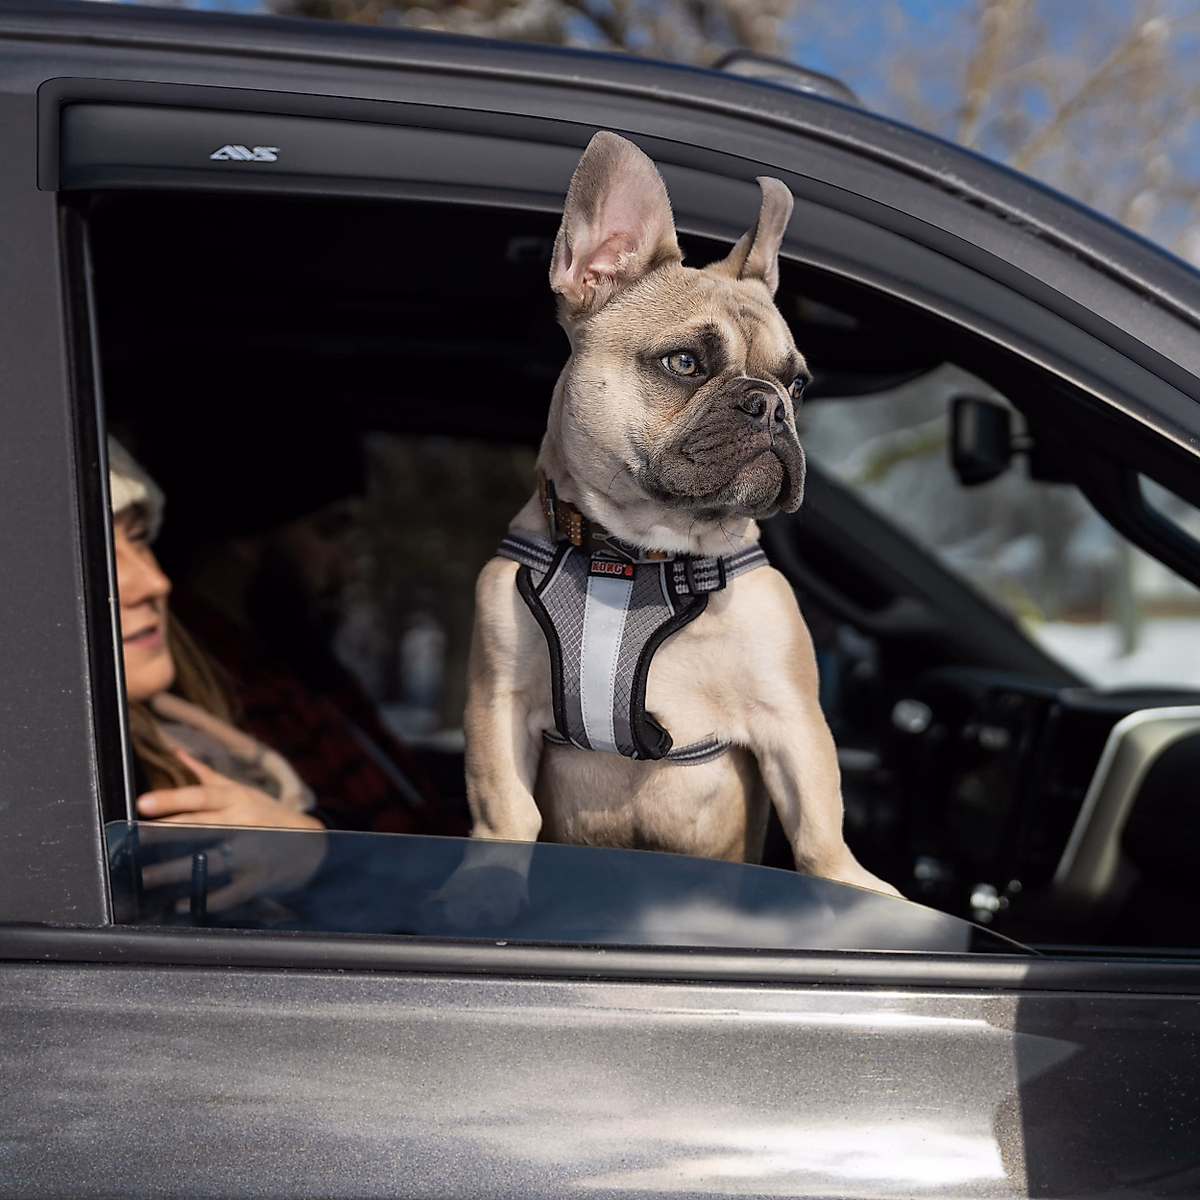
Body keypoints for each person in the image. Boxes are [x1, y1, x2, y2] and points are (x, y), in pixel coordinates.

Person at [141, 390, 458, 835]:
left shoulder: (297, 663)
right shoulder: (206, 687)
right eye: (328, 532)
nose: (348, 572)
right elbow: (306, 851)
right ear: (245, 528)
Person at [110, 437, 323, 831]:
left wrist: (310, 842)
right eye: (97, 552)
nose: (155, 582)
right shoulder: (107, 781)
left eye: (138, 537)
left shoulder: (194, 725)